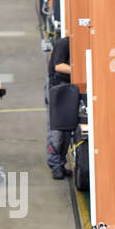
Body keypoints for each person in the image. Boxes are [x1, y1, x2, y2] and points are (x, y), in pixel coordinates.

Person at [46, 36, 73, 179]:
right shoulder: (64, 43)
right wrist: (82, 68)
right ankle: (55, 165)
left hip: (70, 87)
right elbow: (59, 66)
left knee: (67, 129)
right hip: (57, 87)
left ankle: (60, 163)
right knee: (56, 129)